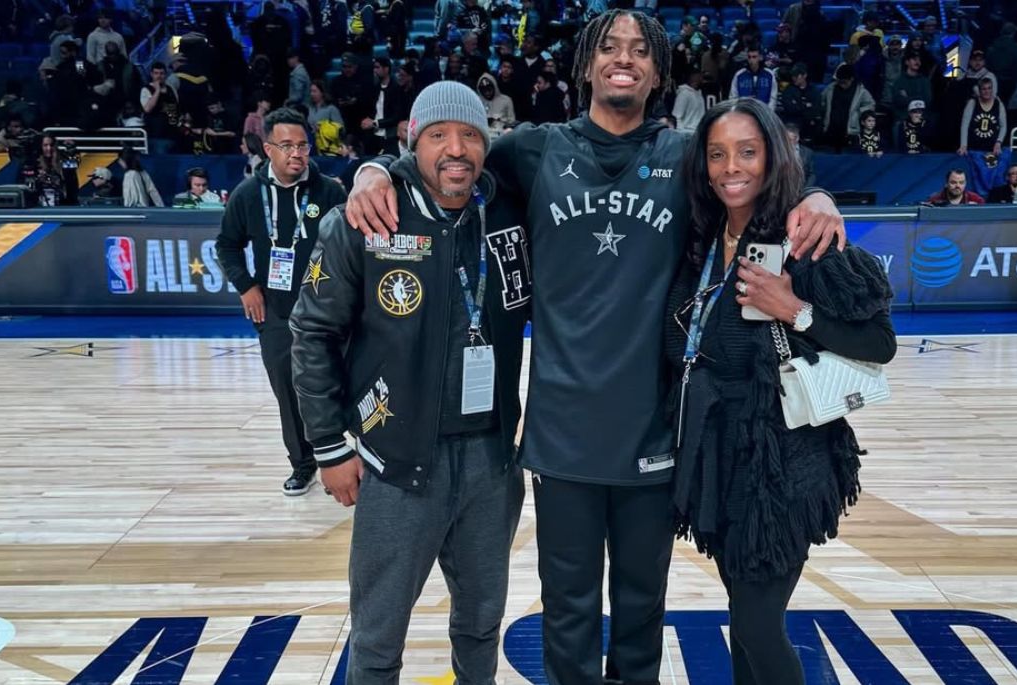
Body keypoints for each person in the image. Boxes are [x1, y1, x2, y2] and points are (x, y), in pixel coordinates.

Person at [344, 10, 847, 684]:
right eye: (609, 47)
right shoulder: (536, 148)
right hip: (562, 437)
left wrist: (817, 195)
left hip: (654, 434)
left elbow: (754, 172)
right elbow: (448, 156)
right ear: (586, 63)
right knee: (569, 620)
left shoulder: (682, 155)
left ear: (658, 71)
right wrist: (372, 171)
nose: (625, 59)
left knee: (641, 616)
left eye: (641, 50)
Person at [290, 81, 528, 685]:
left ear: (486, 144)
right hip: (395, 464)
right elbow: (312, 334)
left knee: (480, 625)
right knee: (377, 637)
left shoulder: (508, 212)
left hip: (491, 463)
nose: (456, 149)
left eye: (470, 135)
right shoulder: (369, 216)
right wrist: (329, 447)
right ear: (412, 141)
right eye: (438, 135)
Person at [668, 97, 896, 685]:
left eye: (747, 151)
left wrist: (794, 310)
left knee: (757, 624)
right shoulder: (701, 235)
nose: (731, 167)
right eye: (718, 154)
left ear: (773, 156)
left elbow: (879, 342)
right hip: (717, 460)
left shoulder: (805, 235)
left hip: (783, 467)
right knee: (744, 623)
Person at [214, 108, 347, 496]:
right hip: (277, 310)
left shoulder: (330, 191)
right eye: (286, 145)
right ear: (268, 148)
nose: (297, 154)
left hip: (331, 309)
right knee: (288, 391)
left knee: (341, 383)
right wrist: (246, 286)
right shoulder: (248, 195)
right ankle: (303, 464)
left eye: (302, 145)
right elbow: (228, 244)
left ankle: (342, 456)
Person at [958, 78, 1006, 157]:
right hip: (973, 148)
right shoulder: (972, 103)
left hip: (992, 148)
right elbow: (965, 125)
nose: (987, 91)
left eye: (989, 88)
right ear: (979, 90)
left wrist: (998, 142)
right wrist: (963, 145)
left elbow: (1003, 126)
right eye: (984, 89)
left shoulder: (998, 104)